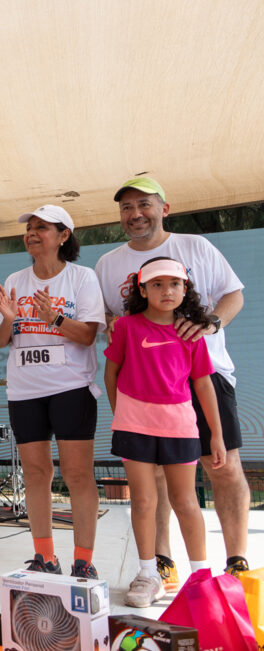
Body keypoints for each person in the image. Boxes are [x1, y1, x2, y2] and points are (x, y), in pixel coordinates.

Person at [94, 177, 250, 582]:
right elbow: (109, 320)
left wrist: (211, 325)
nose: (135, 214)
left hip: (204, 374)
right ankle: (160, 561)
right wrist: (115, 323)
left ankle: (236, 562)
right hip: (145, 390)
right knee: (155, 476)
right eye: (126, 208)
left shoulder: (195, 247)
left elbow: (234, 295)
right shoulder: (108, 263)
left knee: (224, 466)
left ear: (164, 208)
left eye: (144, 204)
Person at [0, 205, 105, 577]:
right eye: (29, 228)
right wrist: (9, 320)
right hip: (24, 391)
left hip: (71, 387)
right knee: (36, 472)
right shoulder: (15, 279)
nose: (32, 233)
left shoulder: (82, 278)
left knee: (77, 474)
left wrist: (53, 317)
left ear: (63, 236)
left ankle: (83, 562)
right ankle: (44, 558)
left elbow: (88, 335)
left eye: (42, 228)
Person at [104, 257, 226, 607]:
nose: (166, 290)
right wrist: (123, 414)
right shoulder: (126, 326)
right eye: (156, 284)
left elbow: (203, 384)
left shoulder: (191, 332)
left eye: (174, 284)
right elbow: (111, 373)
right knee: (142, 501)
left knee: (186, 502)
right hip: (134, 428)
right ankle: (148, 575)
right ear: (142, 290)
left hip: (180, 427)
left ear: (185, 289)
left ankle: (200, 578)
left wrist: (215, 435)